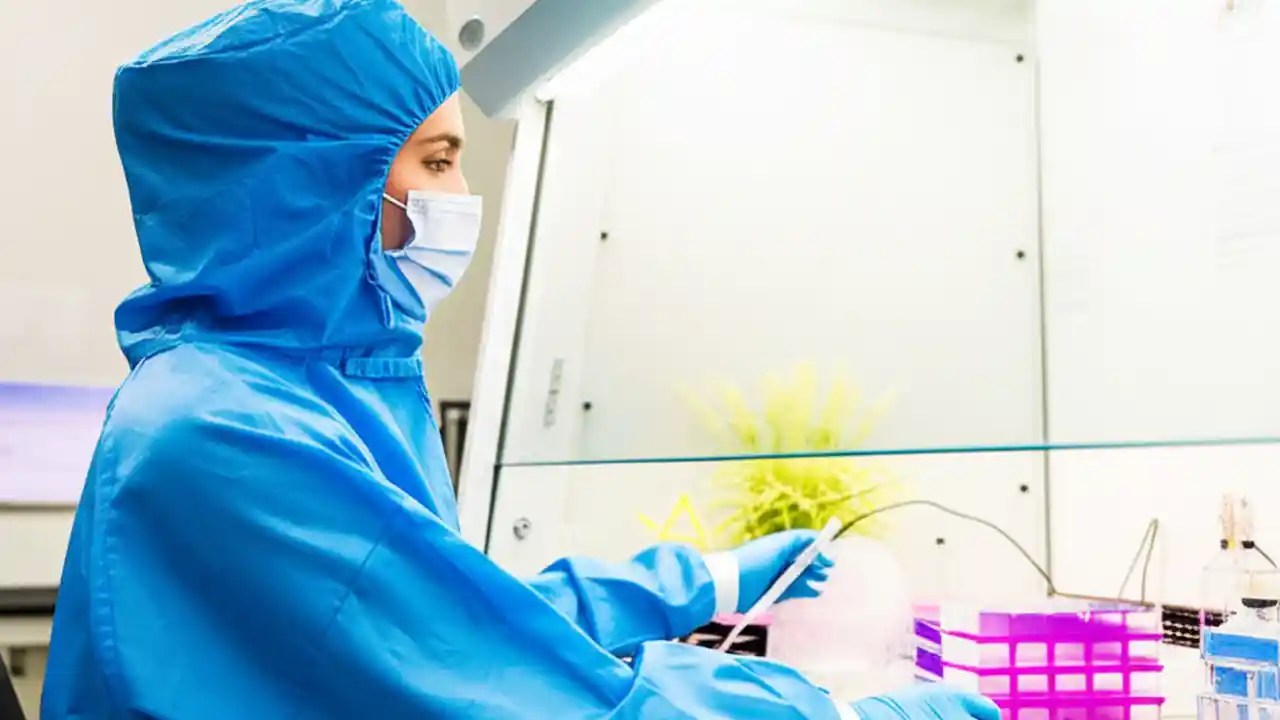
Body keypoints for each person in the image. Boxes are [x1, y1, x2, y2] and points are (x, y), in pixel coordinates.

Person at [41, 1, 1002, 718]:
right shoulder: (227, 433)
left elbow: (456, 620)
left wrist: (697, 583)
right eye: (436, 159)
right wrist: (856, 709)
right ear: (312, 191)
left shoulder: (289, 389)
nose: (463, 193)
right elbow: (532, 692)